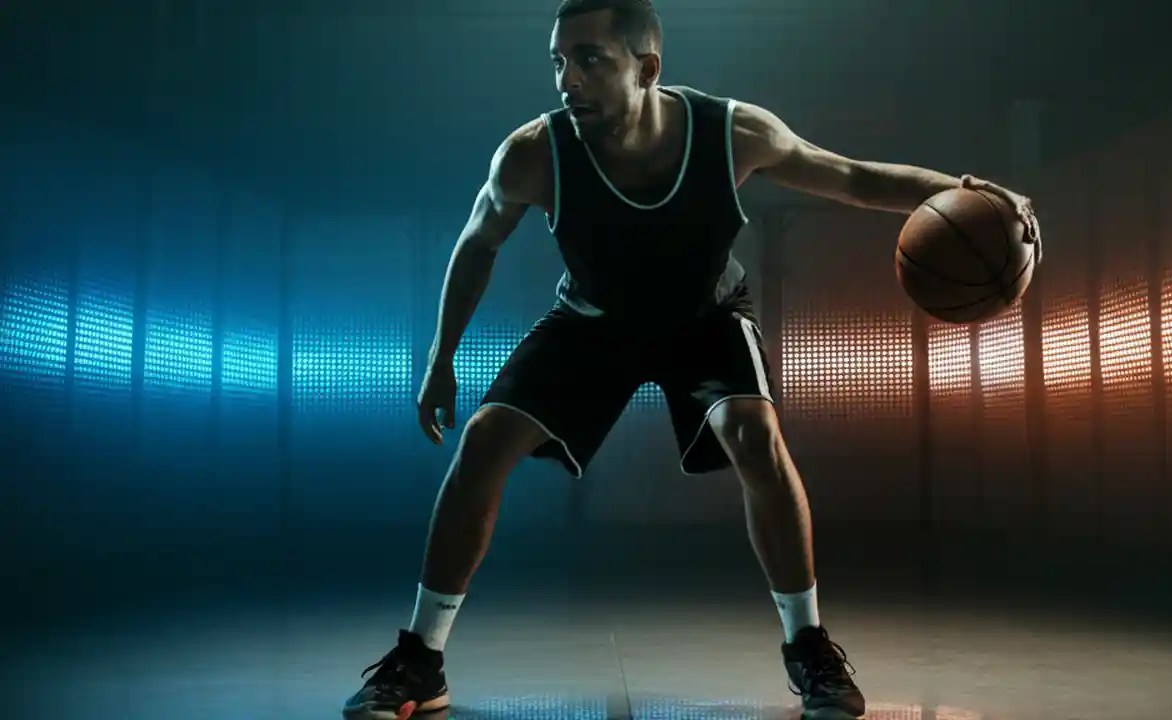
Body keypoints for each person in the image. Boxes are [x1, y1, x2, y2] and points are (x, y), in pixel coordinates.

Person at [343, 1, 1040, 718]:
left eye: (589, 60)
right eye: (557, 60)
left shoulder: (732, 132)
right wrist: (441, 355)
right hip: (592, 323)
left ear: (646, 68)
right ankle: (421, 659)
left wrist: (967, 192)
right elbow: (477, 242)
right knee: (486, 438)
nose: (566, 80)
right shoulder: (532, 152)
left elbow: (853, 178)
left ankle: (810, 650)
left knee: (754, 434)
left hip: (704, 320)